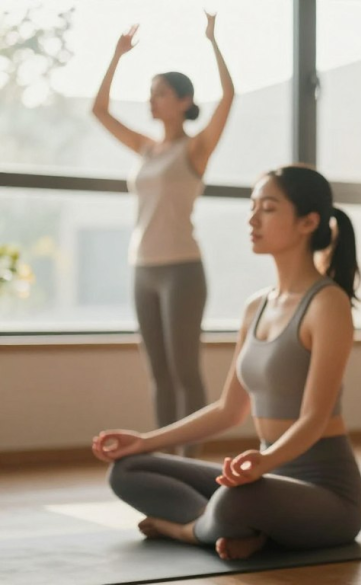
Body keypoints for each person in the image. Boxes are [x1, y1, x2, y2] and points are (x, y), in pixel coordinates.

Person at [92, 165, 361, 561]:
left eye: (268, 209)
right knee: (128, 470)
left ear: (309, 222)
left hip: (327, 496)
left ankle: (189, 530)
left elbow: (314, 419)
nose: (252, 219)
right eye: (252, 207)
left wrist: (265, 462)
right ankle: (243, 530)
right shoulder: (257, 305)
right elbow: (228, 410)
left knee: (235, 500)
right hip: (265, 479)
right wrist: (144, 441)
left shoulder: (328, 304)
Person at [92, 13, 234, 456]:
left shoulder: (196, 147)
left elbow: (230, 96)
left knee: (184, 371)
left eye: (160, 93)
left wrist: (213, 41)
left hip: (182, 269)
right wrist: (116, 56)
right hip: (143, 268)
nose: (151, 101)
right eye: (151, 93)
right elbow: (98, 110)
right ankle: (157, 457)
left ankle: (189, 460)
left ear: (183, 100)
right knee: (158, 373)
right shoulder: (145, 147)